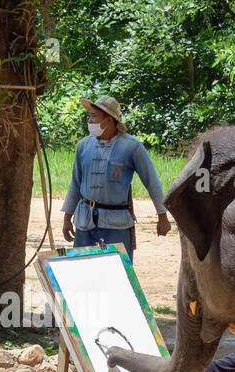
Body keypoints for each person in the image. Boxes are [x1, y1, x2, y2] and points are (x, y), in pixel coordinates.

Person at [61, 95, 170, 261]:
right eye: (89, 116)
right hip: (84, 221)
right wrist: (67, 218)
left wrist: (162, 216)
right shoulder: (83, 145)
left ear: (109, 120)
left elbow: (152, 181)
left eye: (94, 116)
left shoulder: (132, 147)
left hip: (116, 225)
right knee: (83, 273)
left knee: (118, 274)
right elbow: (75, 184)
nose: (90, 121)